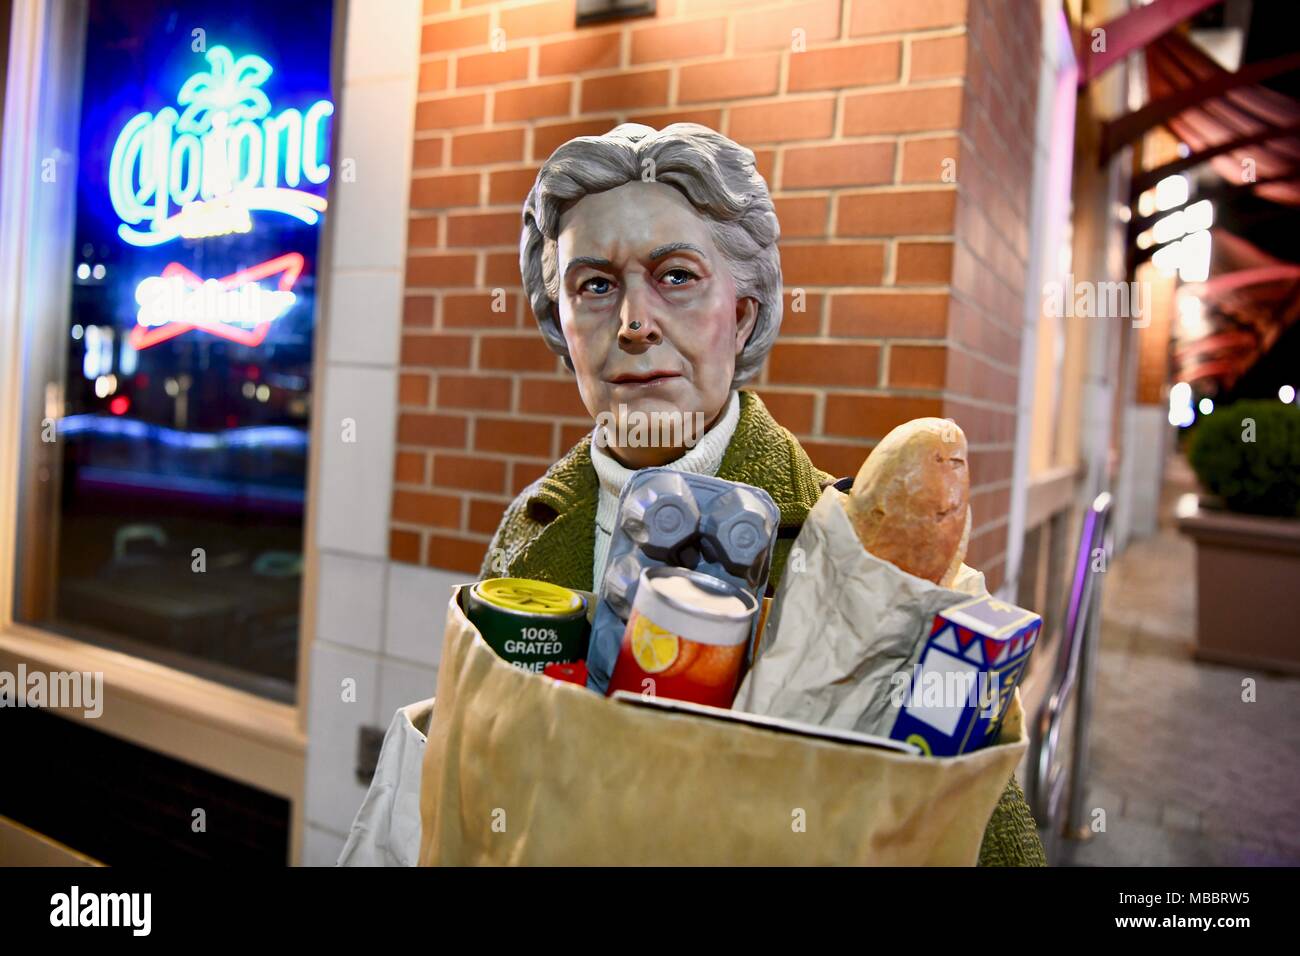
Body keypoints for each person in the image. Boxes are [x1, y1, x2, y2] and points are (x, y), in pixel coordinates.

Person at [481, 122, 1046, 867]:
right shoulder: (529, 528)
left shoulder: (869, 565)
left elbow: (982, 839)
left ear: (742, 314)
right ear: (561, 321)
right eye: (595, 286)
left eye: (676, 276)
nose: (634, 323)